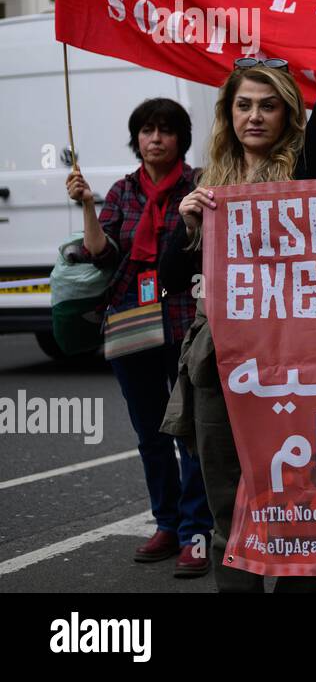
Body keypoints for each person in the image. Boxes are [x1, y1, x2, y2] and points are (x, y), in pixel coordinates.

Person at [159, 0, 316, 593]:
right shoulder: (211, 184)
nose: (255, 116)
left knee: (307, 510)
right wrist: (185, 222)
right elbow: (173, 278)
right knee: (233, 517)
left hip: (299, 367)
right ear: (229, 112)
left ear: (287, 113)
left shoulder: (306, 172)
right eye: (243, 105)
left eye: (268, 105)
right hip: (222, 368)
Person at [65, 99, 213, 577]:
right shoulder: (121, 191)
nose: (155, 139)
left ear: (180, 140)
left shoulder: (200, 186)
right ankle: (167, 523)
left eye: (166, 131)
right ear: (137, 139)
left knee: (190, 429)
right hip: (130, 317)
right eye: (147, 130)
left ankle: (196, 532)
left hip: (185, 319)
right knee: (150, 432)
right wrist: (88, 206)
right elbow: (100, 254)